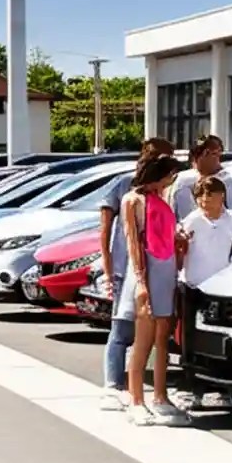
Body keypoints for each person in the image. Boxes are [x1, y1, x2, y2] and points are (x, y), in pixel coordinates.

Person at [98, 137, 174, 411]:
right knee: (120, 329)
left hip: (155, 268)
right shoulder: (125, 188)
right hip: (125, 267)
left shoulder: (163, 189)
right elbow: (106, 229)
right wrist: (107, 266)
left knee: (149, 332)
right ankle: (113, 386)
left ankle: (142, 388)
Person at [117, 154, 189, 426]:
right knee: (143, 340)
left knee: (162, 339)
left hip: (166, 271)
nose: (172, 179)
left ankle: (160, 395)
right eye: (170, 174)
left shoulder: (163, 200)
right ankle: (136, 398)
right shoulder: (134, 200)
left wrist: (180, 243)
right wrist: (140, 280)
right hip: (147, 272)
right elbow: (133, 242)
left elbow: (169, 238)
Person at [176, 175, 232, 411]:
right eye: (200, 196)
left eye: (210, 195)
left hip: (218, 287)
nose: (204, 200)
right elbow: (180, 245)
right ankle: (190, 387)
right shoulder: (192, 220)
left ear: (222, 196)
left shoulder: (231, 220)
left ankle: (220, 389)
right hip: (192, 285)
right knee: (189, 339)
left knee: (216, 339)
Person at [173, 134, 232, 220]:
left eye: (219, 154)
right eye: (214, 154)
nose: (218, 160)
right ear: (198, 156)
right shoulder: (182, 180)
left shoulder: (227, 182)